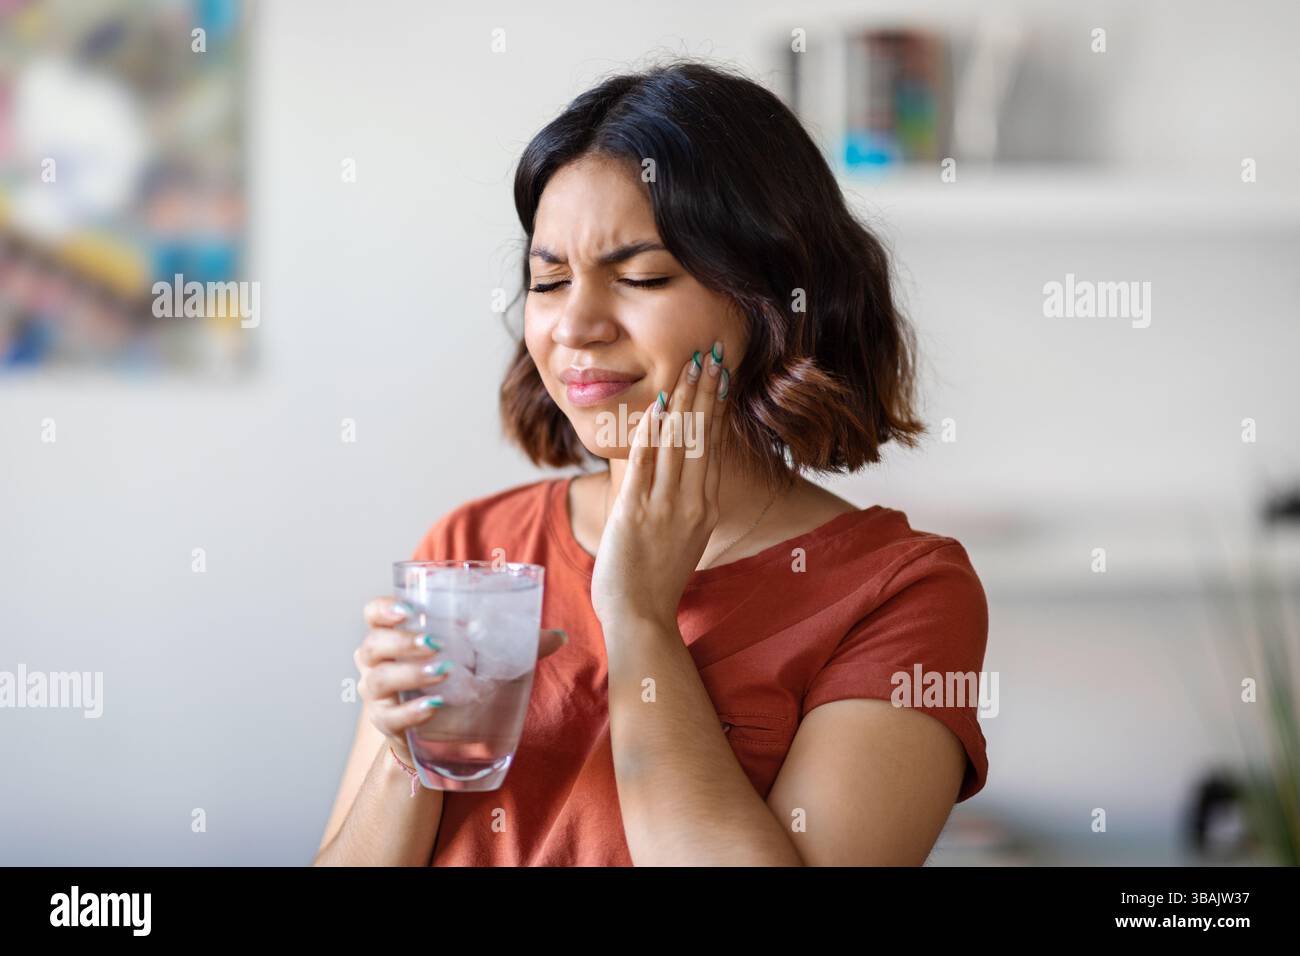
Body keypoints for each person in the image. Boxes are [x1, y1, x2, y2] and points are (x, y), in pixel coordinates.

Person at [316, 60, 989, 867]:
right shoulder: (471, 545)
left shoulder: (902, 593)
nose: (576, 325)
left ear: (770, 298)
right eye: (548, 280)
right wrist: (410, 759)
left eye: (641, 276)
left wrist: (637, 616)